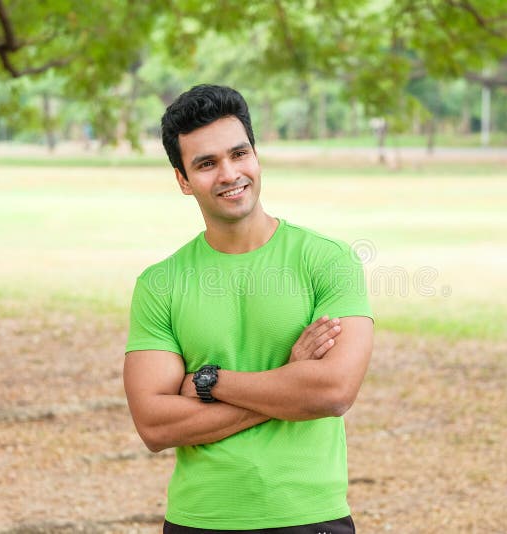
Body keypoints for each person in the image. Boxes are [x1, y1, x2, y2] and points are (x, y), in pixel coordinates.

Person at [123, 84, 374, 533]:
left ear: (256, 156)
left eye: (239, 154)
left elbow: (333, 392)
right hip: (199, 519)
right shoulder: (159, 284)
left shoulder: (328, 260)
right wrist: (289, 382)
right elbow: (155, 426)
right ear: (183, 180)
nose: (229, 173)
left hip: (310, 517)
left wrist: (208, 382)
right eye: (206, 163)